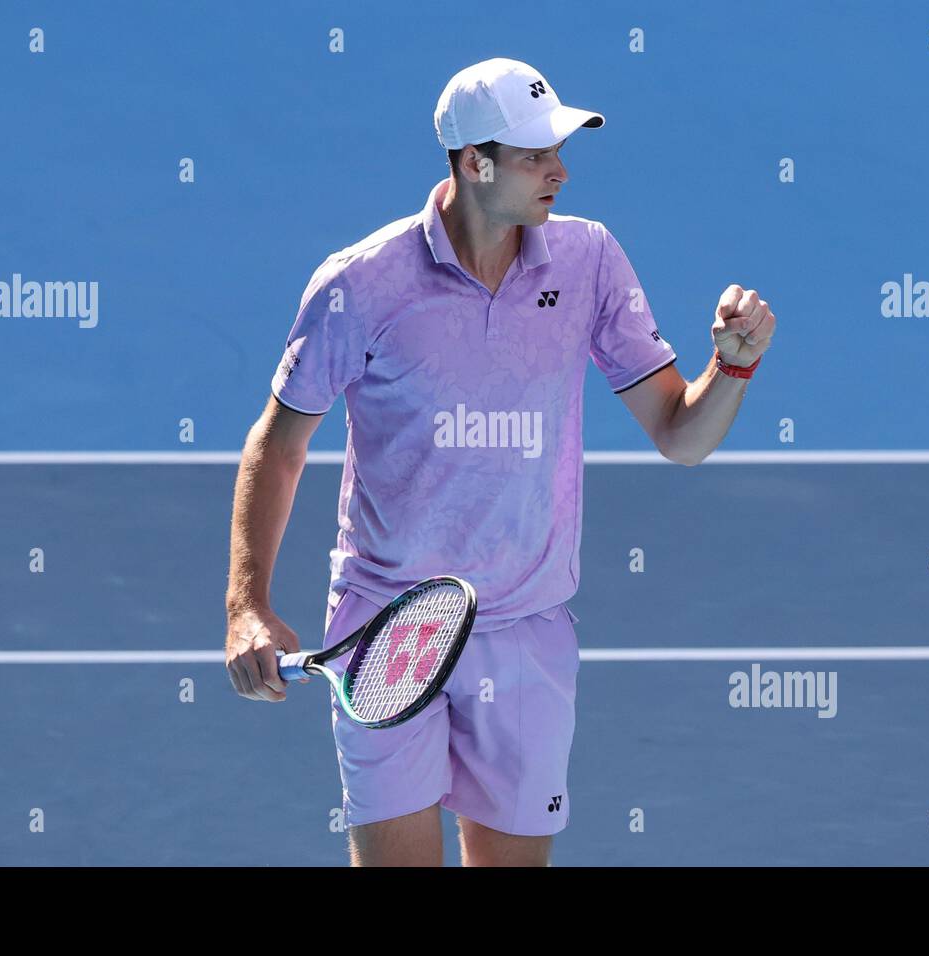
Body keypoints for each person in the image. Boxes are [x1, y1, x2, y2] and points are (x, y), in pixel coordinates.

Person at [224, 57, 776, 867]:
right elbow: (281, 441)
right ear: (475, 163)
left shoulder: (589, 262)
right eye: (534, 156)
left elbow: (678, 433)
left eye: (558, 150)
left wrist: (730, 368)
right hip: (388, 631)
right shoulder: (359, 286)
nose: (560, 170)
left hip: (526, 635)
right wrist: (247, 602)